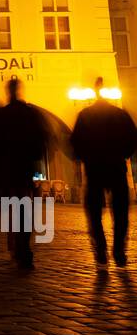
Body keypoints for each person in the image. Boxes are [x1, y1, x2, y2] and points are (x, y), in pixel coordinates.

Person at [0, 78, 48, 270]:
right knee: (23, 211)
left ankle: (18, 248)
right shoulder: (30, 113)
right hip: (24, 169)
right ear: (19, 90)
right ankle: (22, 250)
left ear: (8, 92)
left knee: (12, 210)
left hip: (6, 171)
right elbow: (41, 140)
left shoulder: (1, 115)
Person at [70, 78, 137, 268]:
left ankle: (101, 250)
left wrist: (85, 157)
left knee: (93, 213)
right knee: (121, 211)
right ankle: (119, 250)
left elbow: (75, 142)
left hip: (95, 168)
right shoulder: (120, 114)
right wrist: (123, 154)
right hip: (116, 167)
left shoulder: (85, 115)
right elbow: (133, 138)